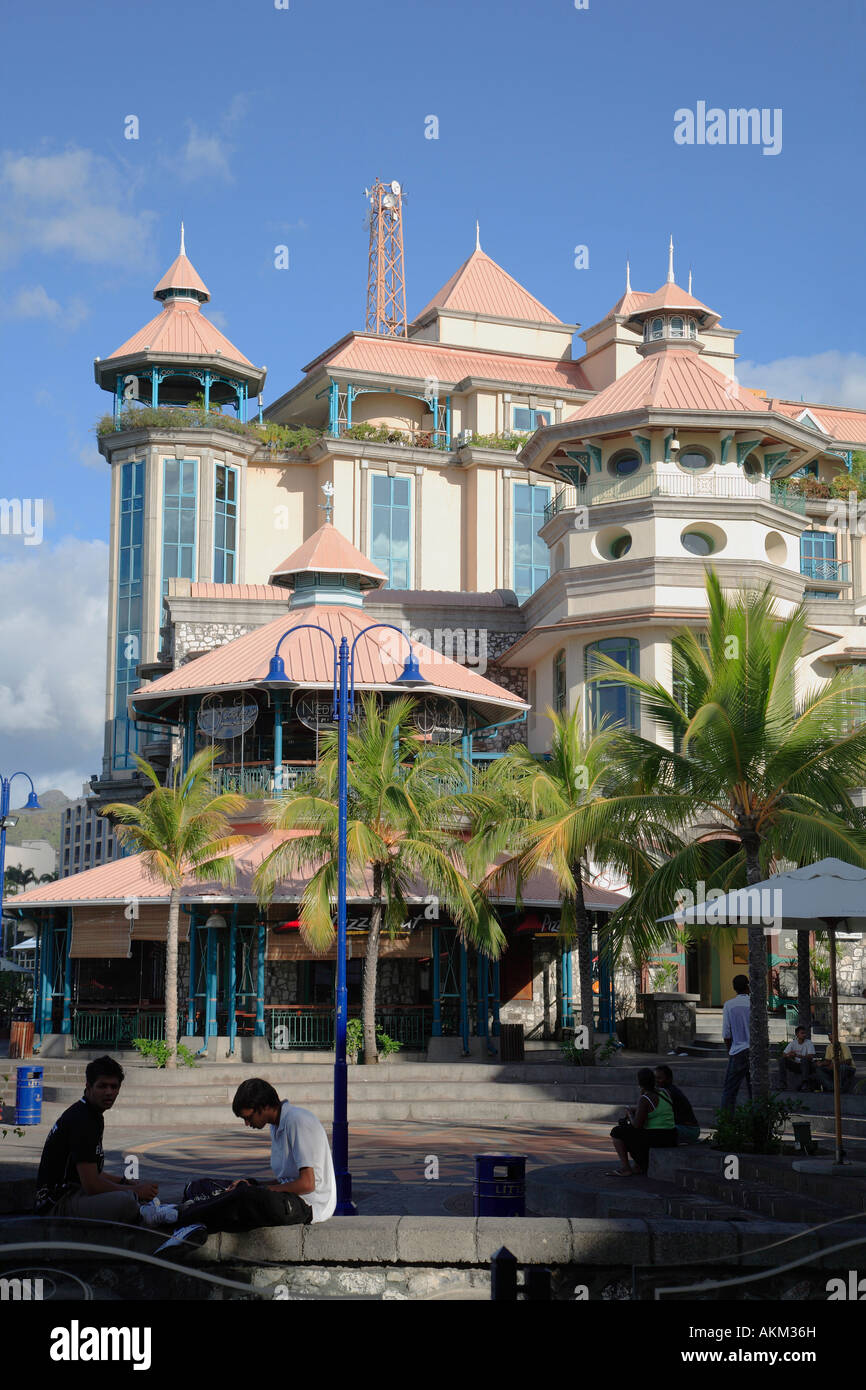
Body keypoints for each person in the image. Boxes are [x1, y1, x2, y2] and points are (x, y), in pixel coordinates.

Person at [34, 1055, 163, 1226]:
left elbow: (92, 1172)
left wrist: (123, 1181)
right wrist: (135, 1191)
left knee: (129, 1195)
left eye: (114, 1086)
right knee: (126, 1202)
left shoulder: (91, 1114)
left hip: (75, 1192)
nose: (109, 1092)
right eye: (102, 1086)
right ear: (88, 1086)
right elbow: (92, 1185)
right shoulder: (83, 1120)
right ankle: (153, 1216)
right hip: (58, 1203)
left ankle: (148, 1211)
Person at [608, 1068, 677, 1176]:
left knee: (617, 1132)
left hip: (657, 1137)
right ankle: (637, 1166)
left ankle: (626, 1168)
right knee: (634, 1131)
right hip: (671, 1135)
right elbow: (653, 1109)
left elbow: (637, 1125)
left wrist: (629, 1112)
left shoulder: (645, 1098)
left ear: (639, 1083)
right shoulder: (665, 1093)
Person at [720, 974, 751, 1114]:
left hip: (737, 1050)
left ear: (734, 988)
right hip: (754, 1050)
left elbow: (726, 1033)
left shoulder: (729, 1005)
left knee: (730, 1089)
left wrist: (730, 1049)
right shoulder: (755, 1003)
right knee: (755, 1089)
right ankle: (757, 1119)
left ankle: (727, 1120)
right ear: (748, 986)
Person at [654, 1064, 700, 1144]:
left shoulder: (669, 1092)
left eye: (659, 1078)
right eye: (655, 1078)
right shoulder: (663, 1091)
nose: (656, 1081)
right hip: (681, 1127)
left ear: (668, 1079)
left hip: (689, 1130)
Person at [815, 1030, 857, 1094]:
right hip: (834, 1067)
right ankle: (831, 1087)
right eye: (829, 1039)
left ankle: (840, 1088)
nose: (830, 1041)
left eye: (832, 1039)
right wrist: (821, 1063)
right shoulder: (829, 1047)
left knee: (842, 1067)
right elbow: (828, 1061)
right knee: (819, 1070)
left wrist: (835, 1064)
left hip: (848, 1068)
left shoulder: (844, 1046)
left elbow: (848, 1061)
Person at [779, 1026, 817, 1091]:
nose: (804, 1035)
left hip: (807, 1066)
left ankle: (805, 1083)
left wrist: (797, 1055)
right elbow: (784, 1054)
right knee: (782, 1060)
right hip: (796, 1065)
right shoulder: (793, 1043)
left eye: (805, 1033)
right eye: (802, 1033)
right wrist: (789, 1055)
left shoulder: (809, 1042)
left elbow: (811, 1056)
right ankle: (782, 1083)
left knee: (804, 1060)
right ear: (797, 1034)